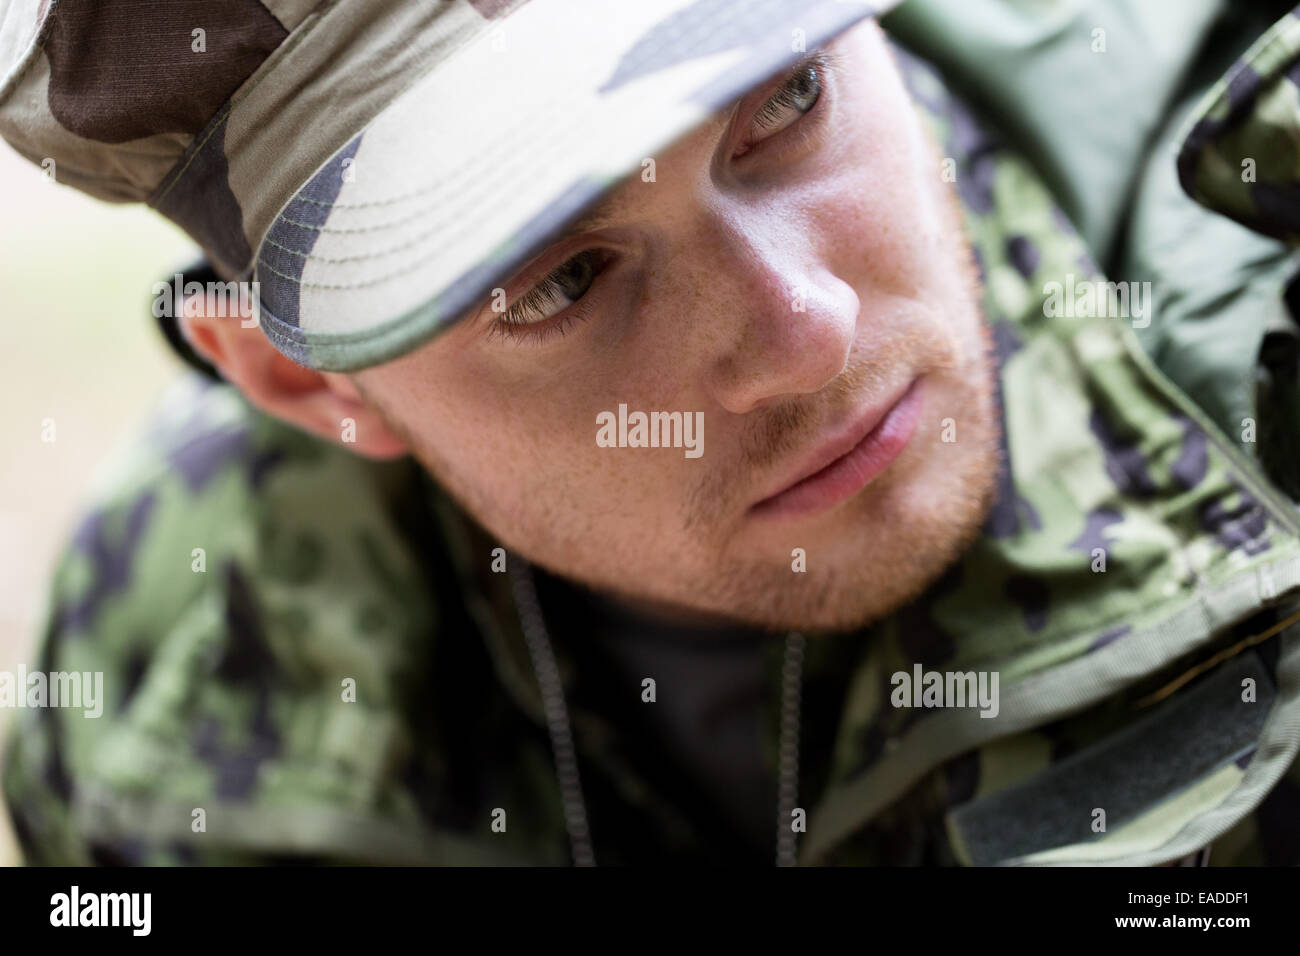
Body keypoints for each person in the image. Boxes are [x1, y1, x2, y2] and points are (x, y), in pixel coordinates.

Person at [2, 0, 1299, 866]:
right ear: (310, 388)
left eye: (788, 98)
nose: (808, 333)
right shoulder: (163, 692)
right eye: (562, 282)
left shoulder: (1266, 365)